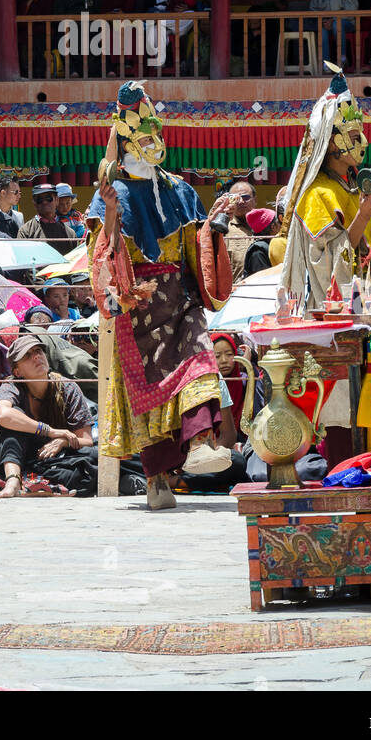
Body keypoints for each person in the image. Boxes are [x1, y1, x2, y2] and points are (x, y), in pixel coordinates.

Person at [86, 82, 233, 510]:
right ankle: (156, 480)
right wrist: (112, 212)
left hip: (181, 299)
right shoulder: (112, 195)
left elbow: (196, 248)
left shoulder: (181, 190)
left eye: (157, 135)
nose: (155, 143)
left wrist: (216, 226)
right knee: (149, 395)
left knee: (201, 360)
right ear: (130, 139)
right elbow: (105, 257)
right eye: (145, 136)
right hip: (141, 304)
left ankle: (203, 441)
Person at [278, 67, 371, 309]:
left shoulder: (363, 187)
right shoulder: (317, 194)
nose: (365, 143)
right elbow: (326, 261)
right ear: (332, 143)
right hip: (338, 306)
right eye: (356, 137)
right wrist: (362, 216)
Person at [0, 332, 94, 497]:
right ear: (17, 372)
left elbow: (87, 440)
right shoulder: (12, 386)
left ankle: (33, 481)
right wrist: (50, 431)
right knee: (14, 416)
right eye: (27, 356)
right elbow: (1, 414)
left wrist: (62, 441)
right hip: (11, 458)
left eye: (38, 351)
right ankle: (13, 480)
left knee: (87, 464)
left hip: (50, 459)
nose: (36, 357)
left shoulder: (68, 388)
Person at [309, 0, 359, 64]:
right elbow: (313, 10)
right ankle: (326, 63)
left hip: (347, 22)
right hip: (326, 23)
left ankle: (342, 58)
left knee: (337, 24)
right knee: (321, 30)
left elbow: (352, 10)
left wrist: (333, 19)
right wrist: (323, 21)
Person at [17, 183, 77, 256]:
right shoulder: (26, 231)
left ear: (57, 200)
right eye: (40, 199)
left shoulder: (70, 234)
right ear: (34, 203)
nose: (44, 202)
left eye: (49, 198)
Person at [221, 178, 258, 284]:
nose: (241, 202)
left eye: (246, 197)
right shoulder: (223, 229)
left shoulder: (268, 226)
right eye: (236, 198)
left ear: (255, 200)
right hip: (235, 292)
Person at [242, 207, 277, 277]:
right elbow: (263, 280)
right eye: (279, 222)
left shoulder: (271, 245)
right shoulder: (258, 252)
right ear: (273, 227)